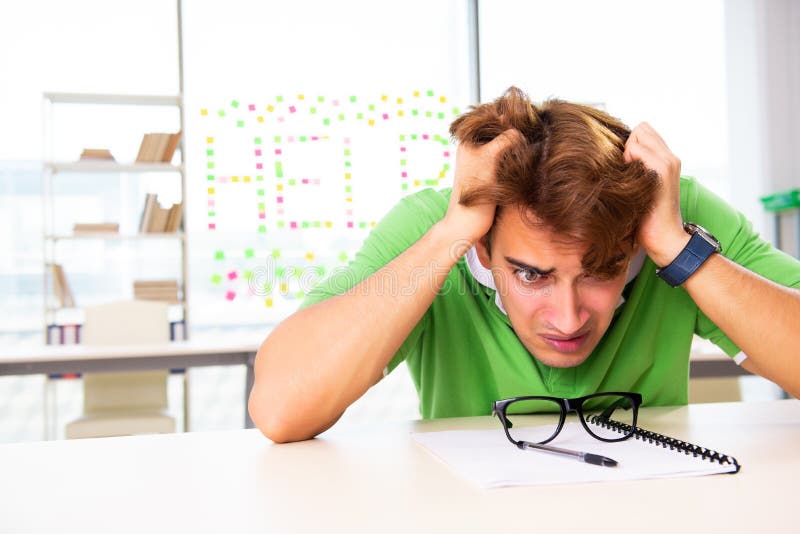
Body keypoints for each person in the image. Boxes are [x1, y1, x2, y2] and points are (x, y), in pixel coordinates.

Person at [248, 87, 800, 443]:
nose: (567, 319)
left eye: (601, 270)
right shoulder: (440, 228)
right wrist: (450, 237)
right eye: (532, 275)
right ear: (483, 249)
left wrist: (678, 250)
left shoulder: (675, 218)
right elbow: (280, 409)